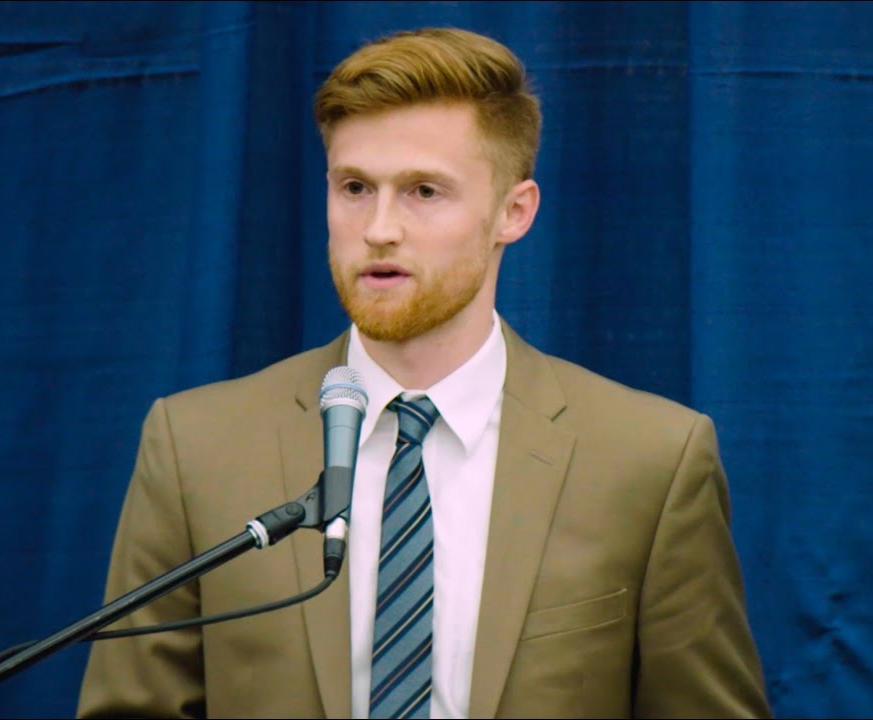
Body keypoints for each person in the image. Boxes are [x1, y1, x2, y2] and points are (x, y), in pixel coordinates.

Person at [77, 26, 770, 719]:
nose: (379, 228)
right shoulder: (197, 446)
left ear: (514, 212)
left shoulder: (649, 459)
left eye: (423, 192)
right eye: (354, 187)